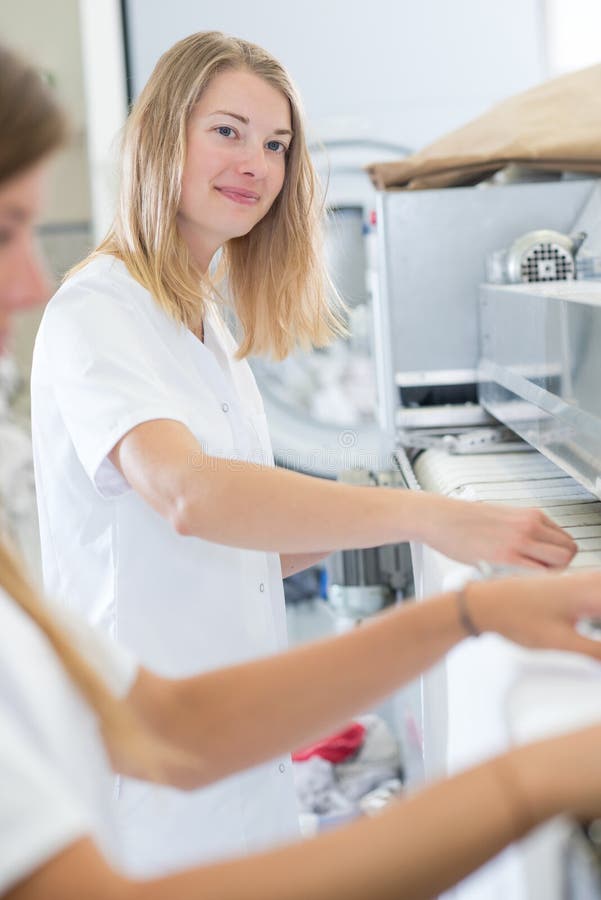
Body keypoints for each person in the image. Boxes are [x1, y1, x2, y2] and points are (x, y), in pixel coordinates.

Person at [1, 45, 601, 899]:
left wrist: (448, 559)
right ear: (159, 138)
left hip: (230, 745)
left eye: (277, 144)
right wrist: (427, 520)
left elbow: (258, 549)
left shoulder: (205, 325)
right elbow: (190, 495)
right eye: (228, 131)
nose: (256, 164)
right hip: (158, 800)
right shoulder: (100, 309)